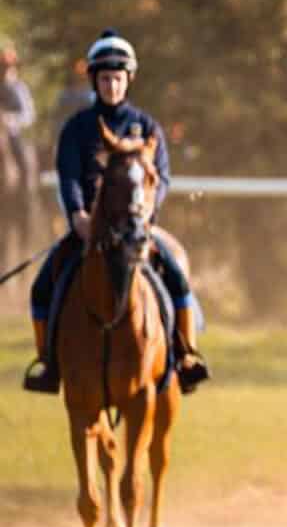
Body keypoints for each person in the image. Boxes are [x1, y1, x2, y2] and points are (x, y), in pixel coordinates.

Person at [24, 31, 209, 394]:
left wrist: (145, 217)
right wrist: (77, 215)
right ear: (95, 80)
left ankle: (187, 355)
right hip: (89, 230)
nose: (111, 86)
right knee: (42, 287)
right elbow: (70, 177)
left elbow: (163, 178)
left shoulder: (148, 126)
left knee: (177, 279)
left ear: (129, 80)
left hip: (138, 228)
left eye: (118, 78)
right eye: (105, 79)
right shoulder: (77, 129)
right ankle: (48, 363)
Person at [0, 44, 37, 179]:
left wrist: (9, 119)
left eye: (8, 66)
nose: (5, 70)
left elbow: (29, 115)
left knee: (25, 166)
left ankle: (26, 192)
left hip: (16, 136)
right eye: (2, 67)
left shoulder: (20, 88)